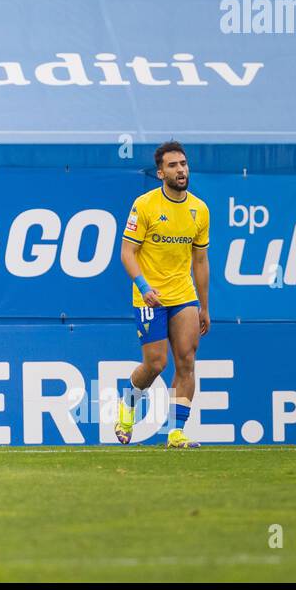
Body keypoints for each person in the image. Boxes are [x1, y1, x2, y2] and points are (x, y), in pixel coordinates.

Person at [116, 140, 211, 449]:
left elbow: (200, 260)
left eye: (183, 164)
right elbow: (127, 253)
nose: (180, 170)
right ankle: (127, 405)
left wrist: (204, 306)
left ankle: (176, 433)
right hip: (150, 297)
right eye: (173, 165)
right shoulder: (144, 205)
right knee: (156, 363)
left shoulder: (200, 209)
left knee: (186, 362)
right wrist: (143, 287)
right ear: (160, 173)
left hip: (183, 295)